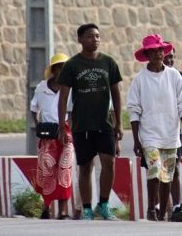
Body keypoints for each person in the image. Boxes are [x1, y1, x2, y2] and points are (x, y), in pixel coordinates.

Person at [57, 23, 123, 221]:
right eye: (90, 36)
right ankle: (86, 208)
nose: (95, 40)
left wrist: (119, 123)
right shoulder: (72, 65)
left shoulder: (108, 62)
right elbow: (63, 98)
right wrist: (62, 126)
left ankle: (103, 205)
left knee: (109, 163)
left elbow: (116, 94)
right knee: (85, 167)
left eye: (97, 36)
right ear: (80, 39)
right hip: (82, 125)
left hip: (105, 123)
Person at [126, 34, 182, 221]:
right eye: (153, 51)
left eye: (160, 50)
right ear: (146, 54)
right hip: (149, 134)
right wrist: (136, 139)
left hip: (170, 134)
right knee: (153, 171)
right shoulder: (140, 79)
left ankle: (163, 212)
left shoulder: (174, 75)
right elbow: (134, 110)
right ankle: (151, 209)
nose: (158, 54)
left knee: (166, 175)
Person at [31, 53, 74, 220]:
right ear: (53, 70)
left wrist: (69, 128)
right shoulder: (41, 88)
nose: (62, 71)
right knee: (46, 171)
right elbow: (34, 108)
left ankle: (63, 211)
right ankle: (46, 207)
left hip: (66, 132)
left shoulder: (71, 87)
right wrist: (38, 125)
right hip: (48, 133)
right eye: (59, 67)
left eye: (65, 67)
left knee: (65, 170)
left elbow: (73, 110)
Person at [162, 42, 182, 222]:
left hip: (175, 132)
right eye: (166, 56)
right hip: (154, 132)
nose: (169, 60)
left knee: (175, 169)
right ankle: (161, 209)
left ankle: (176, 208)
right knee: (159, 172)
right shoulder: (148, 77)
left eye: (172, 56)